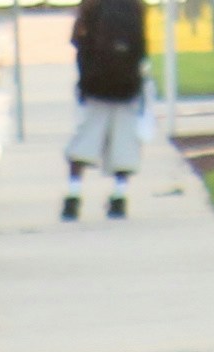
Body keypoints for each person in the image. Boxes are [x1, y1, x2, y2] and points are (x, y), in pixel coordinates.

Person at [64, 0, 145, 219]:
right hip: (127, 87)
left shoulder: (91, 5)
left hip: (95, 86)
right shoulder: (135, 6)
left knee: (84, 142)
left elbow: (77, 40)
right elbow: (141, 47)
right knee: (124, 144)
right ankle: (119, 198)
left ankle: (73, 196)